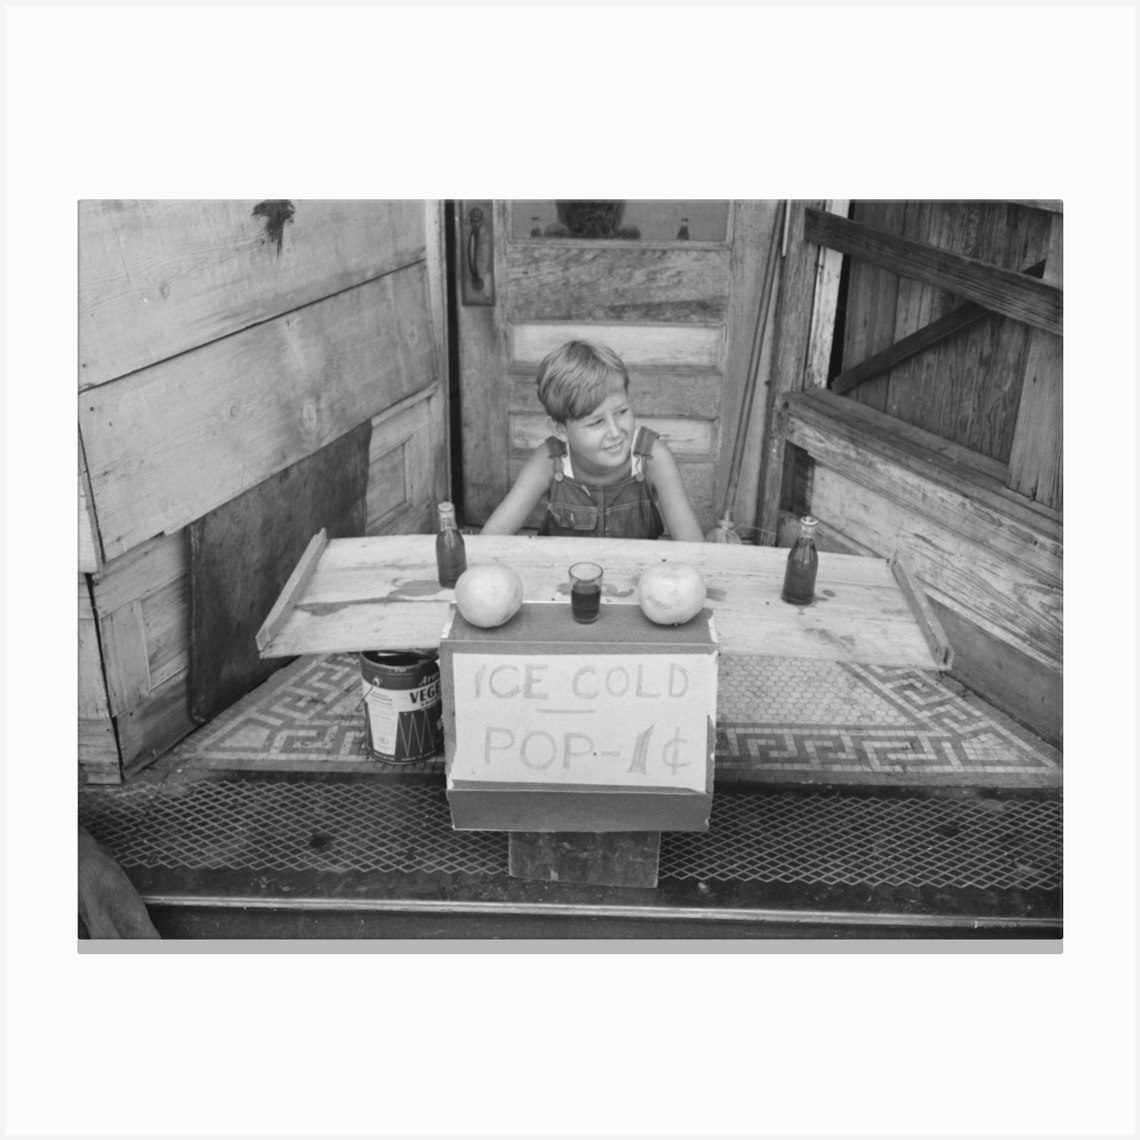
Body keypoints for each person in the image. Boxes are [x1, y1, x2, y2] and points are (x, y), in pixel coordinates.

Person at [480, 340, 705, 542]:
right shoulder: (550, 461)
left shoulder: (652, 457)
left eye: (622, 411)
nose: (616, 432)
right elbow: (491, 540)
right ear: (560, 430)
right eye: (596, 423)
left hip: (636, 579)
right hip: (565, 581)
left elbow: (694, 549)